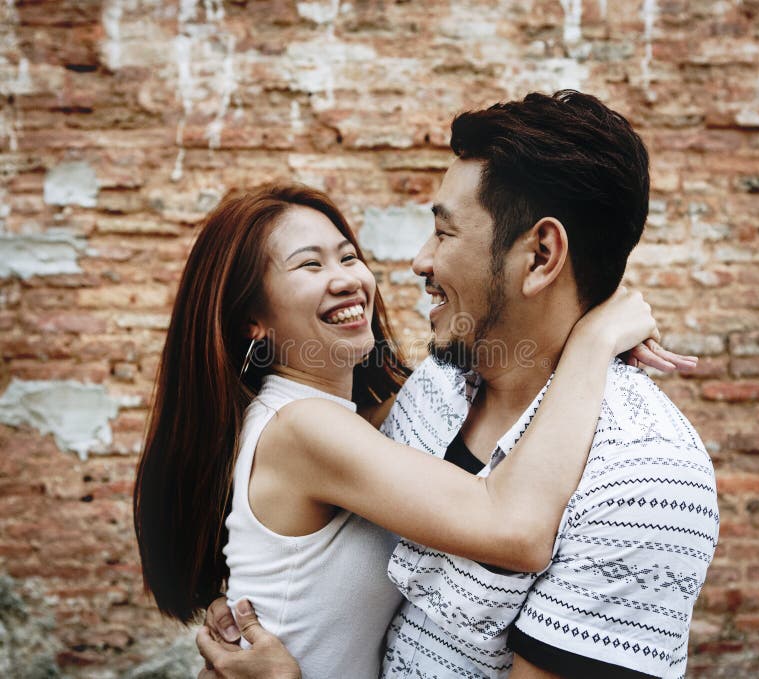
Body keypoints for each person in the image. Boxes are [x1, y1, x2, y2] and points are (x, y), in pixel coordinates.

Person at [198, 90, 718, 678]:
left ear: (542, 255)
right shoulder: (434, 393)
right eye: (309, 265)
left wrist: (594, 345)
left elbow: (510, 530)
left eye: (444, 234)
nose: (419, 261)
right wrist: (593, 341)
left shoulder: (644, 478)